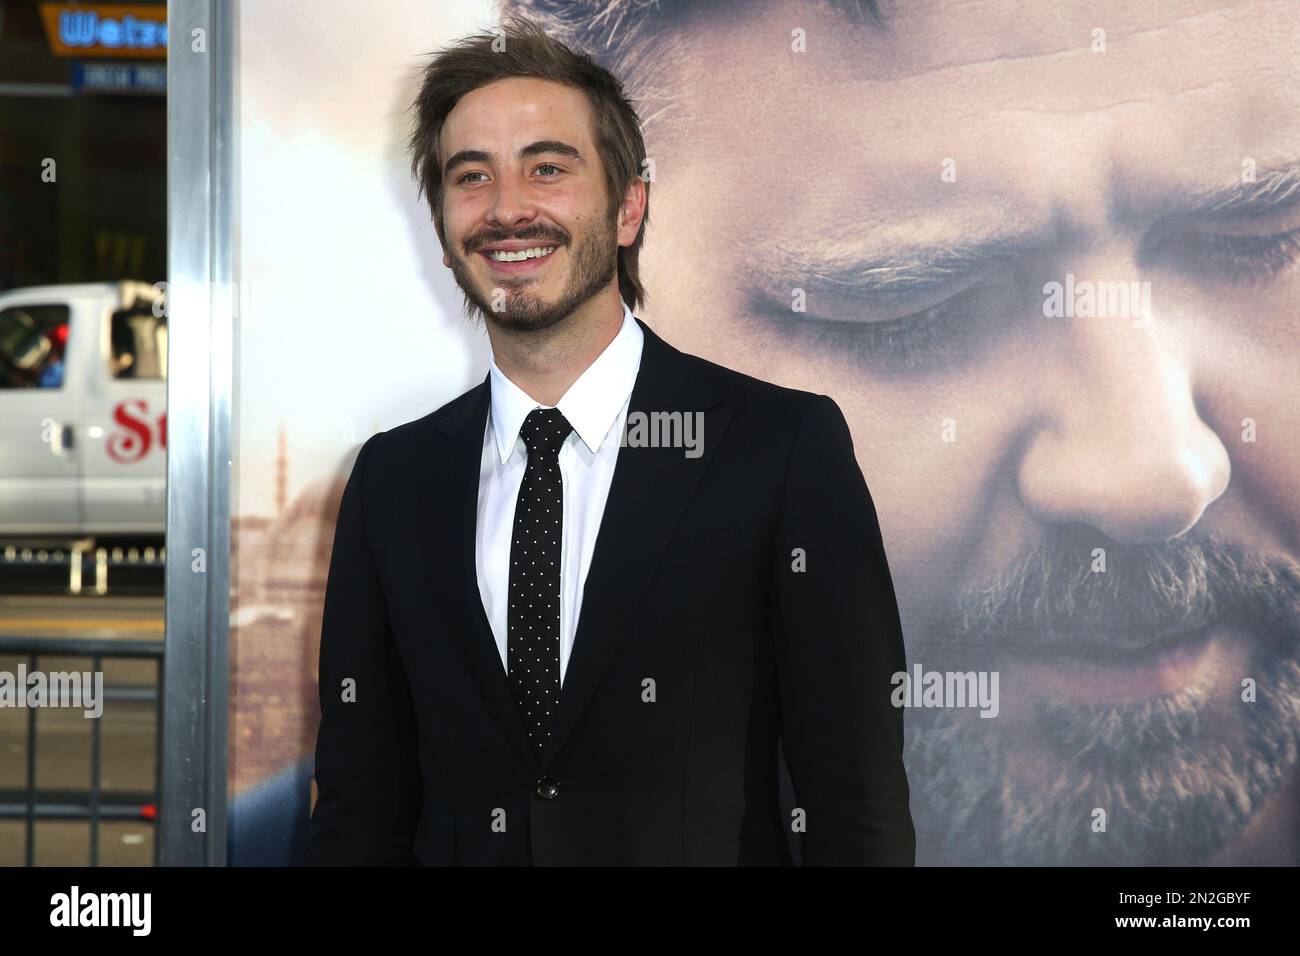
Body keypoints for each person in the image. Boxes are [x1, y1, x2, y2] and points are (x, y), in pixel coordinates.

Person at [307, 15, 915, 866]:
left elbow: (858, 810)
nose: (508, 209)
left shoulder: (780, 449)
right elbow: (357, 810)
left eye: (548, 169)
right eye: (470, 177)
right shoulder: (394, 479)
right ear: (443, 231)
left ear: (628, 206)